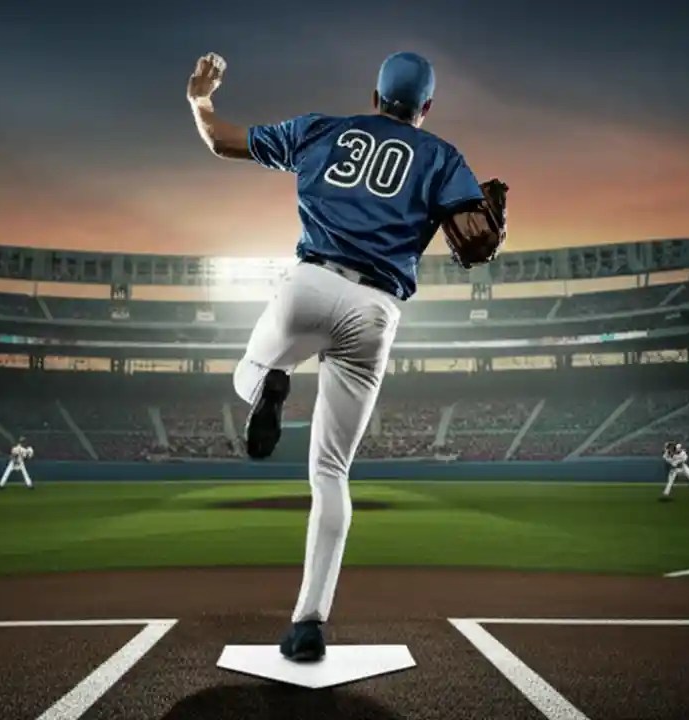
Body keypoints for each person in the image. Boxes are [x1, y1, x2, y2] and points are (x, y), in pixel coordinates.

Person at [186, 50, 506, 662]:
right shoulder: (442, 156)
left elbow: (223, 142)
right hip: (376, 310)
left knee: (245, 376)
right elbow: (477, 238)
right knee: (330, 473)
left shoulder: (320, 130)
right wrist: (484, 227)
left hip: (309, 286)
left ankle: (271, 384)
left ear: (374, 94)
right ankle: (307, 623)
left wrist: (200, 100)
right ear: (427, 108)